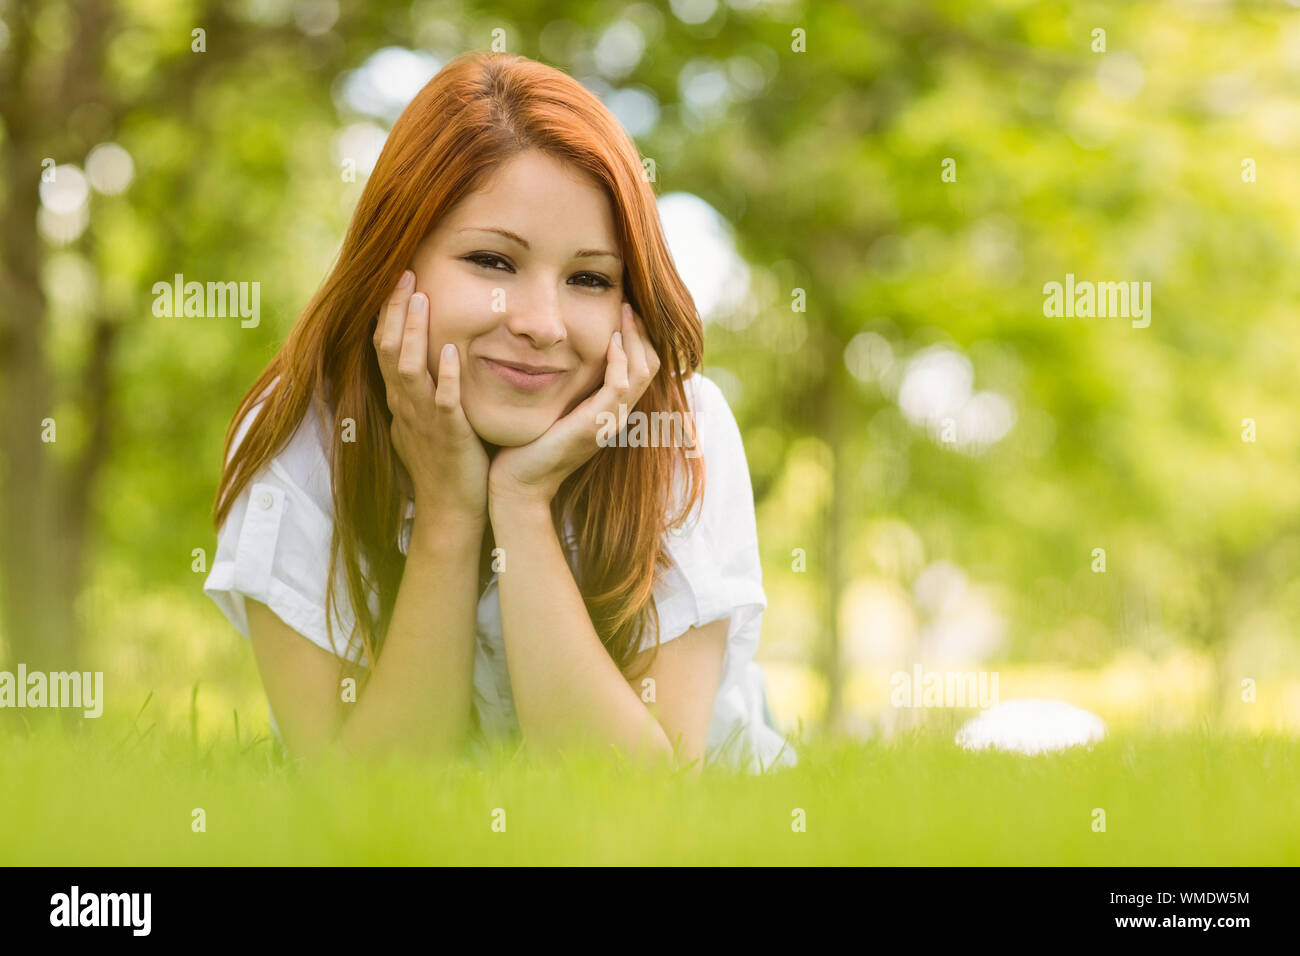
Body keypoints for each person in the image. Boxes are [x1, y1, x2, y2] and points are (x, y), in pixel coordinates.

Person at [202, 50, 797, 776]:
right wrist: (450, 512)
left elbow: (640, 796)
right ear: (395, 259)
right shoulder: (305, 434)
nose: (542, 324)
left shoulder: (680, 431)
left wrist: (521, 499)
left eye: (588, 278)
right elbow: (362, 799)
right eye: (492, 262)